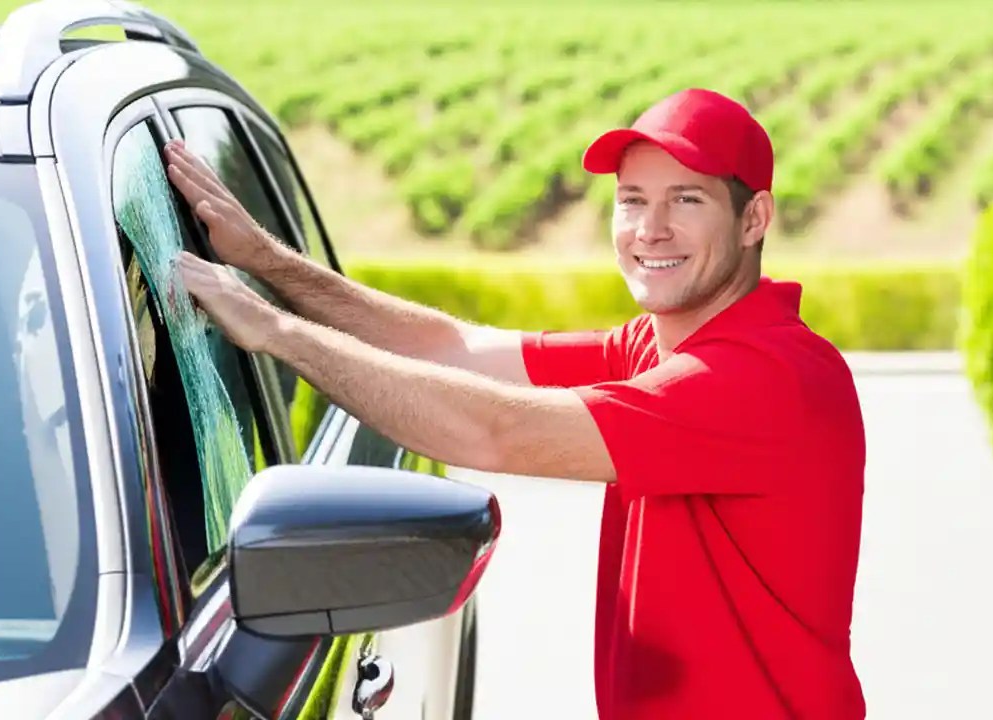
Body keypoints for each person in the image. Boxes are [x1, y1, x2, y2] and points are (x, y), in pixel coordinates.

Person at [162, 87, 867, 719]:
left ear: (755, 220)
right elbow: (454, 349)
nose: (650, 228)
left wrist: (277, 333)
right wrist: (265, 261)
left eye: (687, 200)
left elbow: (496, 431)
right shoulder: (660, 346)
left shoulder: (763, 379)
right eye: (632, 201)